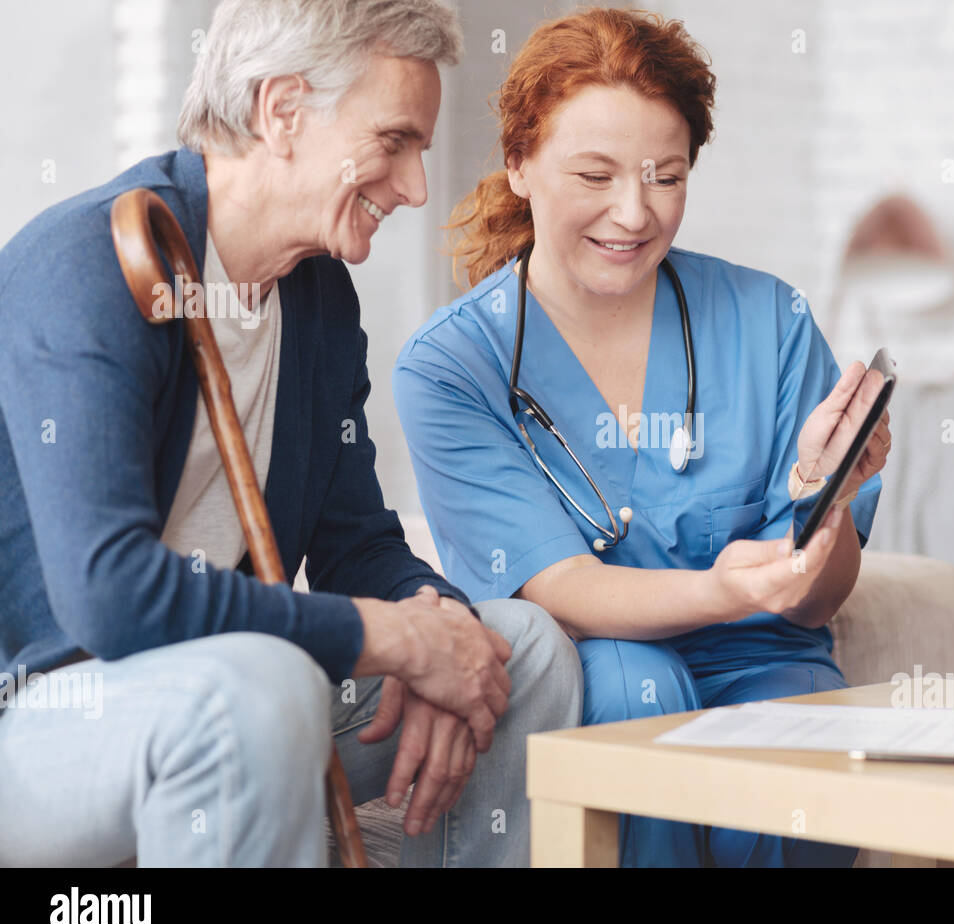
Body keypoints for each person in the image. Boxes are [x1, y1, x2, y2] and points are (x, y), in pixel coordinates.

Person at [0, 0, 581, 868]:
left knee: (522, 650)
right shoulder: (87, 263)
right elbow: (108, 595)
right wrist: (388, 640)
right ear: (283, 112)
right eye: (394, 142)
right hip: (47, 716)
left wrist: (439, 630)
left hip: (238, 690)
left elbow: (361, 545)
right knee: (256, 687)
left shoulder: (315, 297)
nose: (416, 187)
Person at [393, 7, 891, 867]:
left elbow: (814, 596)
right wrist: (732, 587)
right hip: (599, 672)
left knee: (798, 766)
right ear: (519, 165)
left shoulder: (770, 321)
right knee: (634, 684)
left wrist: (826, 498)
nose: (633, 213)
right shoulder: (453, 367)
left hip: (759, 659)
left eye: (665, 176)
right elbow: (562, 590)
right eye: (595, 175)